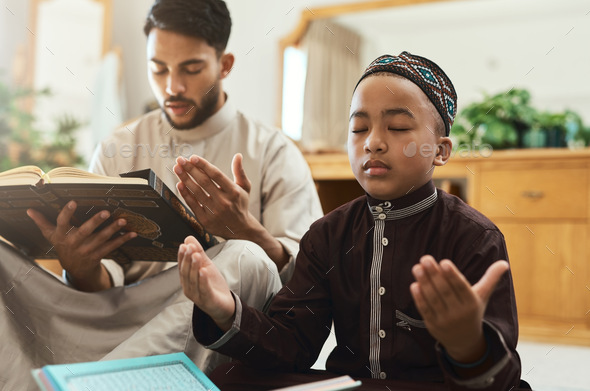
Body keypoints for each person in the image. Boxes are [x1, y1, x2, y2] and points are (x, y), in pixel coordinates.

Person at [178, 52, 525, 390]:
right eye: (359, 128)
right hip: (358, 386)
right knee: (230, 379)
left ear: (440, 150)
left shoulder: (475, 237)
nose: (373, 142)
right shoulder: (327, 234)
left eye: (398, 126)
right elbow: (293, 347)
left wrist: (468, 343)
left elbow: (500, 378)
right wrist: (225, 310)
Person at [27, 0, 322, 298]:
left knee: (241, 259)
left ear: (225, 65)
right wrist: (80, 267)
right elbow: (101, 289)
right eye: (158, 69)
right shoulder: (117, 147)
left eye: (191, 69)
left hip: (226, 330)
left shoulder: (274, 152)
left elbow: (311, 283)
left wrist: (246, 231)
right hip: (126, 323)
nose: (172, 87)